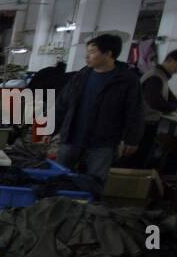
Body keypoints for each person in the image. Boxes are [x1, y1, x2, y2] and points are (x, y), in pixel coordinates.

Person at [56, 34, 142, 184]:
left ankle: (88, 206)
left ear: (108, 53)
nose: (87, 56)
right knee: (57, 177)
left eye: (92, 52)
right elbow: (62, 103)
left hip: (103, 141)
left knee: (95, 182)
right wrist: (50, 128)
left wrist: (132, 139)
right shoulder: (81, 76)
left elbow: (134, 111)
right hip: (72, 136)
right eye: (87, 52)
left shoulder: (127, 80)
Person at [134, 48, 177, 166]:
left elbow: (170, 98)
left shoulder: (162, 76)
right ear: (170, 60)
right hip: (142, 123)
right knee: (136, 158)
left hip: (147, 123)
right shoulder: (155, 76)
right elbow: (154, 101)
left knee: (142, 156)